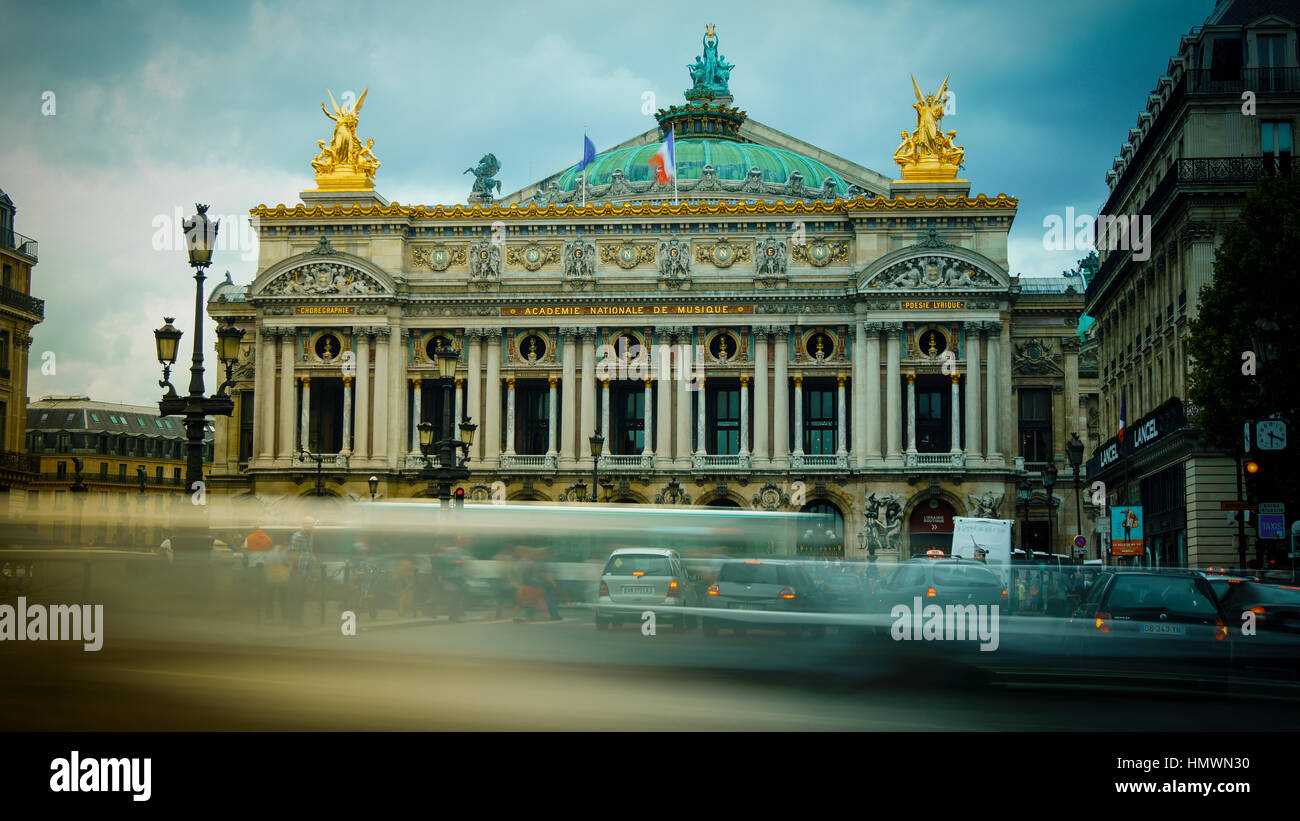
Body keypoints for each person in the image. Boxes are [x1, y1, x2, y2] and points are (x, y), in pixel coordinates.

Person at [287, 517, 316, 626]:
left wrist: (312, 558)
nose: (311, 527)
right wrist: (296, 571)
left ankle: (299, 621)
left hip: (306, 571)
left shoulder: (310, 536)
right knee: (296, 597)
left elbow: (308, 551)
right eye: (309, 524)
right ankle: (294, 622)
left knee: (302, 597)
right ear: (303, 524)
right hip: (298, 572)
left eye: (312, 524)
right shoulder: (297, 536)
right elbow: (294, 554)